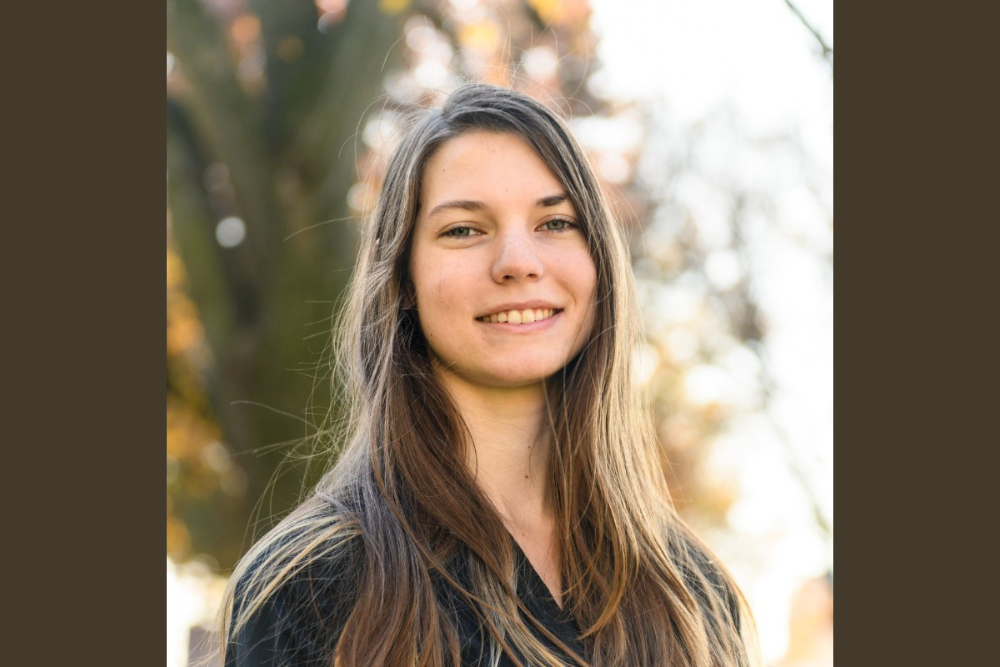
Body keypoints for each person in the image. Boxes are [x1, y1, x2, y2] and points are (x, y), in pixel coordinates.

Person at [219, 83, 753, 667]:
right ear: (401, 278)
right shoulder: (311, 587)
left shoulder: (691, 594)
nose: (519, 263)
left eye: (555, 222)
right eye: (464, 230)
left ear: (599, 260)